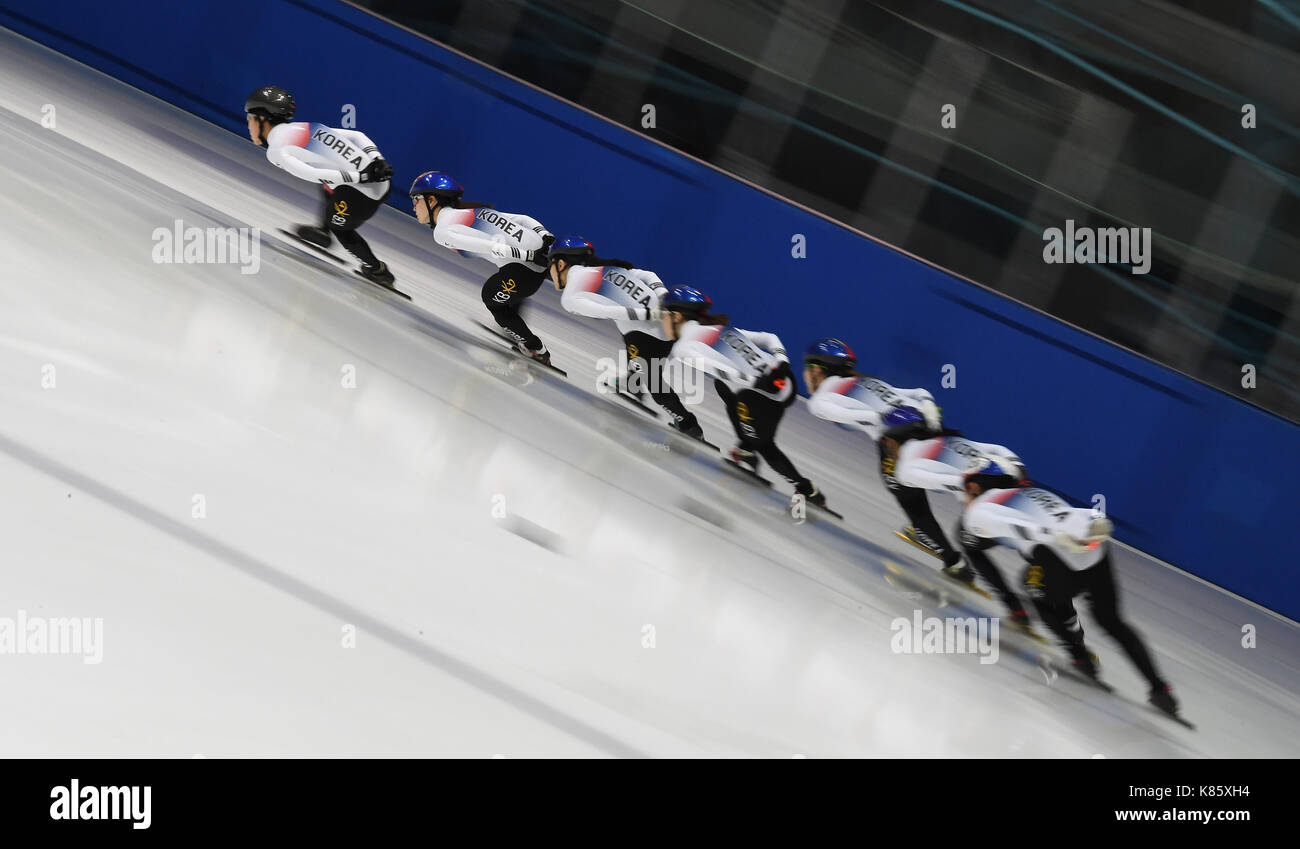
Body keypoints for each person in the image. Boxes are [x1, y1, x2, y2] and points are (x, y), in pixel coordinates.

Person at [959, 460, 1182, 718]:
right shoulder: (1034, 492)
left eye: (965, 491)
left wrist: (1047, 531)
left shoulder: (980, 509)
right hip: (1094, 550)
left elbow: (1012, 526)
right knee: (1112, 622)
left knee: (1033, 590)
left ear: (974, 487)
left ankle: (1081, 659)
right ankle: (1160, 689)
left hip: (1058, 553)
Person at [803, 338, 973, 579]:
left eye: (807, 370)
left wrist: (888, 419)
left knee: (916, 506)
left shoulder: (821, 400)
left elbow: (870, 417)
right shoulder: (866, 380)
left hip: (898, 443)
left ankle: (955, 562)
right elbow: (921, 393)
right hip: (929, 432)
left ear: (817, 370)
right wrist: (929, 415)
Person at [661, 285, 825, 508]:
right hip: (782, 381)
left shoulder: (684, 347)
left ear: (677, 316)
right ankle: (747, 448)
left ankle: (807, 490)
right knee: (725, 388)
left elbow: (720, 369)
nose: (661, 321)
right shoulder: (720, 329)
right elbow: (770, 338)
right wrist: (782, 363)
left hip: (763, 394)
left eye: (664, 315)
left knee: (764, 444)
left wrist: (757, 382)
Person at [547, 236, 703, 438]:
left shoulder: (571, 295)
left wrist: (644, 314)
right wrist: (665, 299)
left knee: (653, 379)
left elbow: (606, 311)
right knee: (629, 335)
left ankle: (688, 423)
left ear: (560, 264)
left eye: (550, 266)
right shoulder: (607, 269)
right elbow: (648, 275)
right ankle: (633, 381)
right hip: (662, 325)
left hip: (648, 332)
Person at [244, 85, 395, 286]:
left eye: (250, 119)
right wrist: (377, 160)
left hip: (365, 192)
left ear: (262, 119)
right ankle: (323, 232)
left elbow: (312, 174)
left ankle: (378, 270)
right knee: (326, 175)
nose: (248, 126)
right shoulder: (306, 126)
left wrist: (360, 177)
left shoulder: (276, 150)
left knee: (340, 226)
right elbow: (357, 135)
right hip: (378, 178)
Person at [409, 171, 554, 363]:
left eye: (416, 200)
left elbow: (493, 248)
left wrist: (528, 256)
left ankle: (534, 348)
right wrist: (545, 236)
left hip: (526, 268)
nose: (413, 207)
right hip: (537, 256)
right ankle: (516, 325)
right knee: (503, 282)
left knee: (491, 298)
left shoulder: (443, 230)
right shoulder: (472, 212)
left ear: (432, 200)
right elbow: (523, 219)